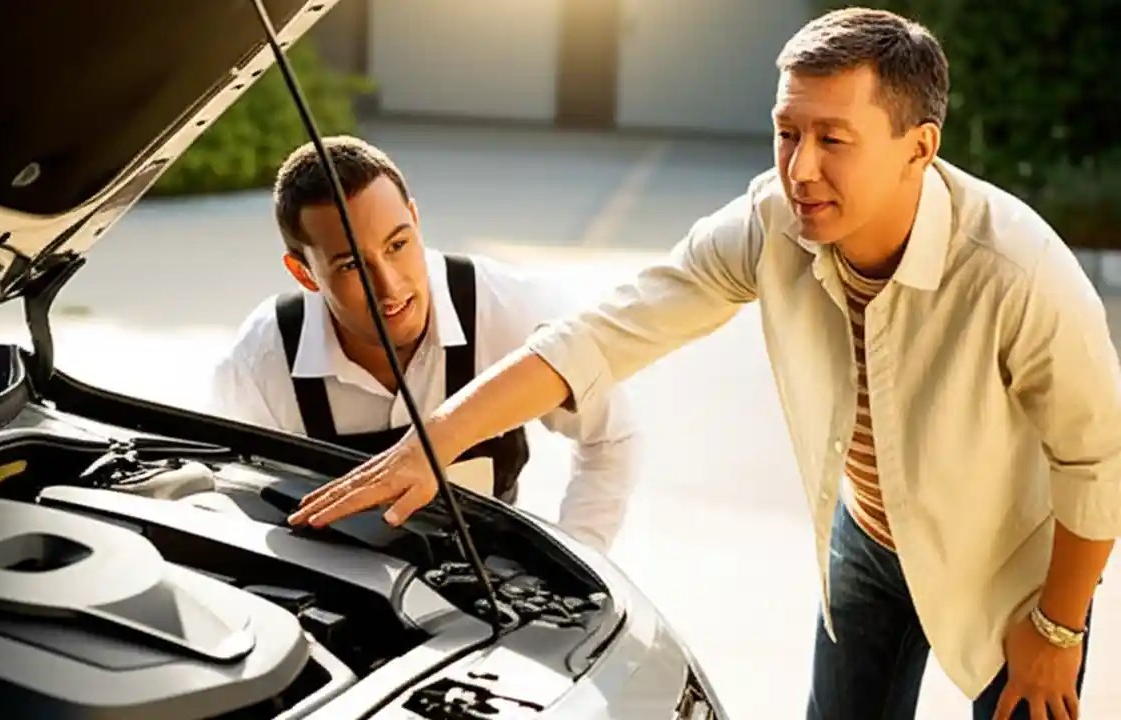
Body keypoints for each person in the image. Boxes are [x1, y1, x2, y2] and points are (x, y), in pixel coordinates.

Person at [287, 8, 1120, 720]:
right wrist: (434, 441)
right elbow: (609, 329)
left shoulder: (1015, 270)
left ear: (918, 147)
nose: (799, 168)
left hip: (1013, 565)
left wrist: (1058, 628)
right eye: (786, 131)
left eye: (834, 139)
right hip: (865, 535)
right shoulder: (771, 220)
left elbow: (1098, 461)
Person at [207, 135, 638, 553]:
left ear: (415, 219)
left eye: (398, 244)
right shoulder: (258, 364)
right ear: (303, 274)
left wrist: (578, 561)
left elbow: (610, 437)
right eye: (352, 264)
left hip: (493, 589)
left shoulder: (512, 310)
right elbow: (239, 502)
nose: (389, 286)